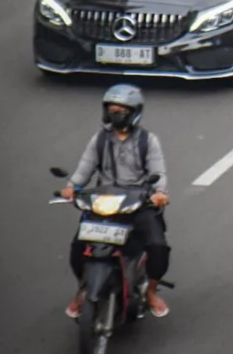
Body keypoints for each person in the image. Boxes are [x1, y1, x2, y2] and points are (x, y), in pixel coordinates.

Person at [61, 84, 171, 318]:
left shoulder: (148, 141)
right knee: (78, 248)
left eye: (121, 110)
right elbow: (85, 168)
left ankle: (151, 291)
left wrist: (159, 193)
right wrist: (71, 187)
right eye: (111, 109)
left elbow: (158, 172)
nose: (115, 114)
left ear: (134, 112)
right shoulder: (99, 140)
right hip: (104, 201)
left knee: (158, 246)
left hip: (138, 203)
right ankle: (83, 289)